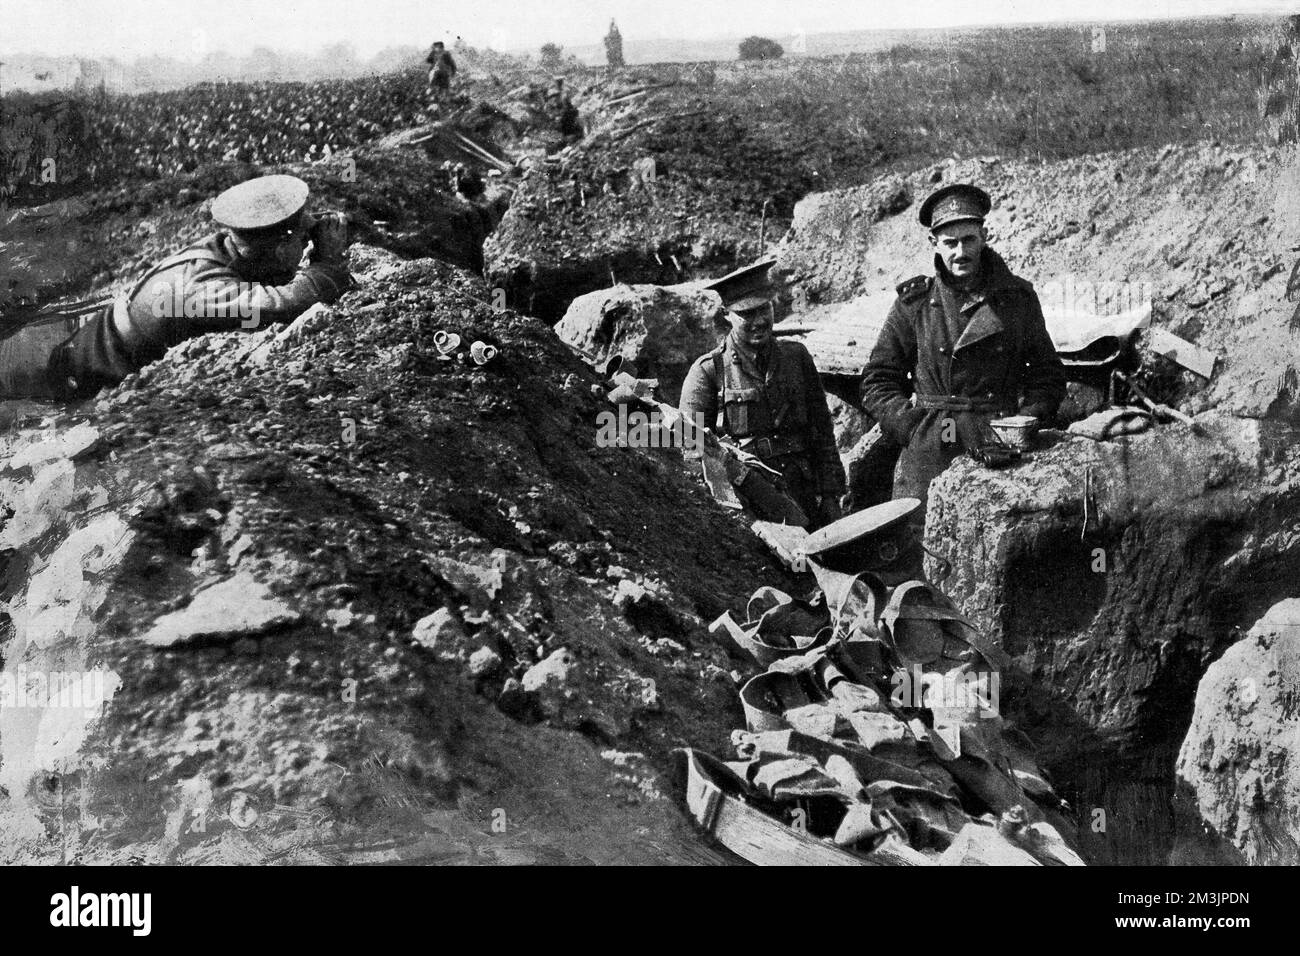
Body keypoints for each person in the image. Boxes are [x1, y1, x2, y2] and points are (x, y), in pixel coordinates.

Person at [0, 174, 351, 402]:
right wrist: (326, 263)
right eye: (302, 239)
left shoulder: (228, 247)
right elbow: (281, 305)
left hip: (72, 340)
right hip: (52, 367)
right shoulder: (199, 292)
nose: (306, 245)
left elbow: (266, 269)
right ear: (278, 247)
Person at [859, 183, 1065, 552]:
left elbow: (1047, 374)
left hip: (998, 448)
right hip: (929, 452)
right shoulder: (915, 304)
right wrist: (911, 428)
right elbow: (877, 380)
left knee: (991, 556)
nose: (961, 252)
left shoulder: (1017, 299)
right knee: (923, 559)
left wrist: (1024, 424)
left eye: (969, 240)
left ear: (984, 235)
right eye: (950, 242)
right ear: (933, 242)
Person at [680, 262, 846, 529]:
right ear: (727, 316)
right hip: (751, 501)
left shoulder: (796, 357)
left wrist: (830, 495)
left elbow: (822, 432)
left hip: (803, 492)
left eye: (764, 309)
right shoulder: (708, 372)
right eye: (747, 314)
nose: (759, 321)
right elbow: (692, 451)